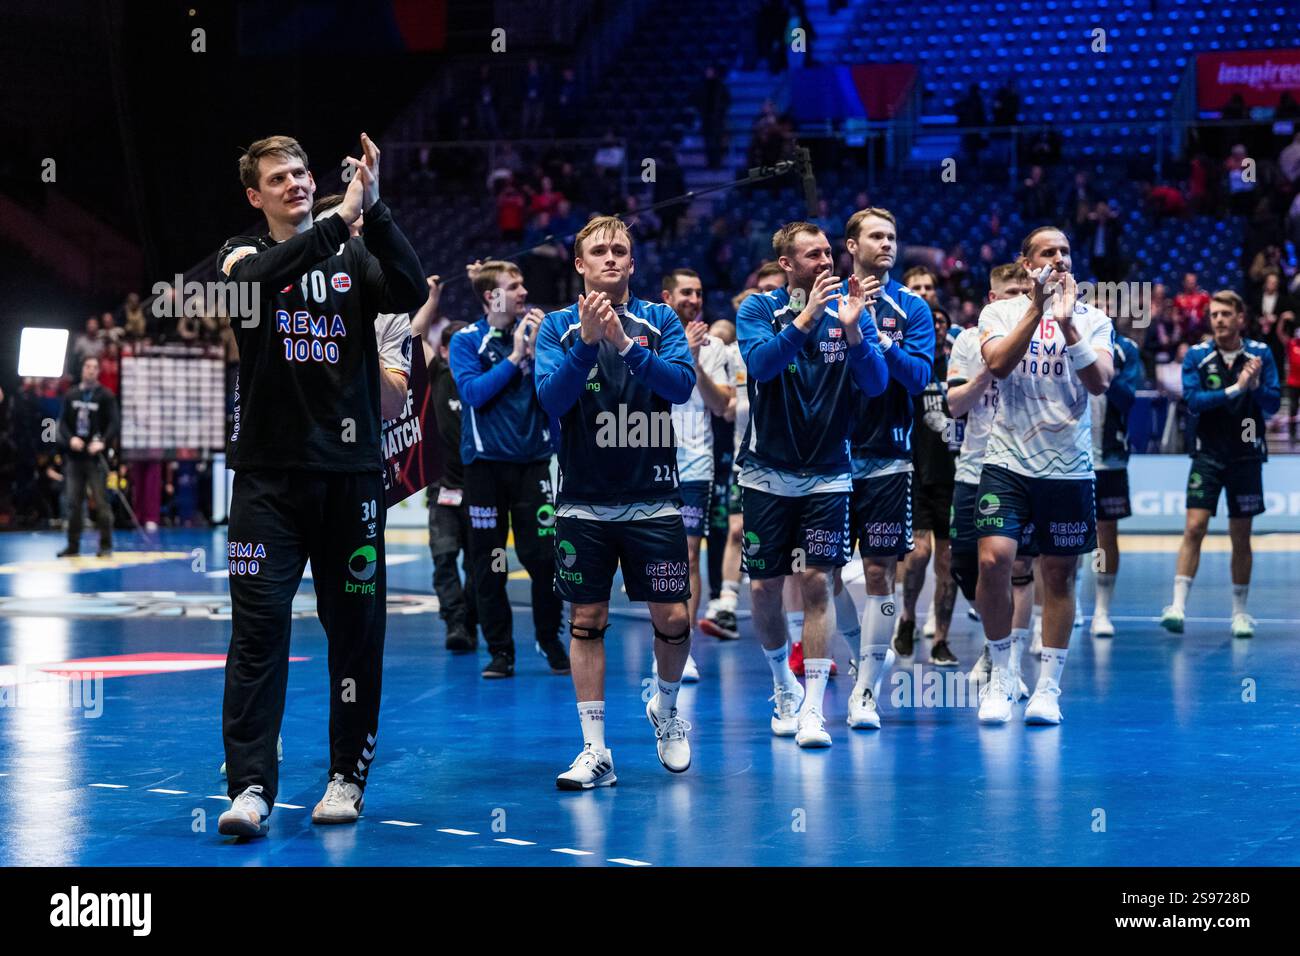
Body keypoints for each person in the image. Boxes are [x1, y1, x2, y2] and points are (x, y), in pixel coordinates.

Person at [214, 133, 425, 837]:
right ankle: (249, 787)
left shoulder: (355, 258)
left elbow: (411, 289)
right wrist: (340, 218)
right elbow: (258, 282)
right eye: (279, 178)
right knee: (257, 631)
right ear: (256, 196)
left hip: (351, 482)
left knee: (355, 635)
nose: (296, 184)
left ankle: (345, 776)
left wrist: (381, 209)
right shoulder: (242, 257)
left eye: (302, 172)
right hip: (267, 485)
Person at [534, 216, 697, 787]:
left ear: (632, 263)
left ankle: (668, 710)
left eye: (619, 251)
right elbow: (552, 402)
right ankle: (595, 749)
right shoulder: (557, 327)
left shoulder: (659, 319)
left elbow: (680, 387)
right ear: (579, 264)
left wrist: (624, 346)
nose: (609, 258)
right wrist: (585, 345)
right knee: (586, 619)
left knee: (674, 617)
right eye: (597, 251)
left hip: (653, 497)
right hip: (583, 500)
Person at [736, 221, 888, 748]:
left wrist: (852, 331)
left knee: (819, 582)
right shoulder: (758, 310)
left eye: (828, 253)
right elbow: (761, 364)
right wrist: (808, 317)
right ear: (787, 264)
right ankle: (782, 685)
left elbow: (876, 383)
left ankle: (813, 709)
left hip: (828, 473)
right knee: (763, 587)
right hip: (764, 473)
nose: (826, 262)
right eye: (813, 255)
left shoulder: (851, 309)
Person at [974, 227, 1114, 726]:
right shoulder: (999, 313)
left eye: (1065, 251)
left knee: (1058, 573)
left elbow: (1100, 382)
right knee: (994, 560)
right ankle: (1003, 674)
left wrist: (1068, 324)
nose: (1058, 258)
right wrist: (1036, 310)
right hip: (1007, 460)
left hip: (1068, 467)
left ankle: (1049, 688)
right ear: (1027, 262)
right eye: (1047, 252)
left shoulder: (1094, 318)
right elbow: (996, 364)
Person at [837, 208, 934, 732]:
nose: (888, 244)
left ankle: (866, 691)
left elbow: (919, 378)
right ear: (851, 245)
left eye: (893, 236)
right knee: (824, 576)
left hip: (889, 458)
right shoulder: (826, 301)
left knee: (879, 573)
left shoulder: (912, 308)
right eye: (876, 236)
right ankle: (863, 650)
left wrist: (879, 335)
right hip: (826, 458)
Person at [450, 260, 568, 678]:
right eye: (513, 286)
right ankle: (500, 650)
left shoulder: (543, 336)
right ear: (490, 296)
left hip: (533, 465)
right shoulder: (467, 340)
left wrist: (536, 355)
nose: (523, 292)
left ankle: (550, 640)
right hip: (484, 470)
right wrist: (515, 355)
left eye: (522, 284)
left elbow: (556, 396)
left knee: (545, 560)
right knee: (490, 562)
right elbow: (472, 393)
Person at [1160, 291, 1280, 638]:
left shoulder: (1260, 354)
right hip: (1207, 454)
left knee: (1240, 536)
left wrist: (1254, 386)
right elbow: (1194, 402)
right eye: (1214, 315)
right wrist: (1236, 388)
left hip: (1246, 454)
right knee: (1194, 528)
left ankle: (1240, 613)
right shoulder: (1198, 356)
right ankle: (1178, 607)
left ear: (1241, 318)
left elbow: (1271, 406)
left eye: (1226, 314)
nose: (1219, 320)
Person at [950, 263, 1037, 695]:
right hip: (973, 467)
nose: (1020, 300)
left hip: (1020, 468)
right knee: (968, 562)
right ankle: (994, 639)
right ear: (991, 300)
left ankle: (1009, 661)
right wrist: (986, 372)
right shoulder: (968, 341)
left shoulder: (1044, 337)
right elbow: (952, 406)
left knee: (1017, 566)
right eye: (1010, 293)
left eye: (1027, 291)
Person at [702, 263, 787, 640]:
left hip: (793, 460)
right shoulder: (736, 354)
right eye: (761, 289)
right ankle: (725, 604)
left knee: (790, 549)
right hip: (746, 457)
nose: (768, 295)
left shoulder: (802, 341)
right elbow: (724, 406)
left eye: (775, 288)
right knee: (737, 530)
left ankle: (797, 630)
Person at [662, 269, 734, 680]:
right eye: (686, 292)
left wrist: (694, 360)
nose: (694, 299)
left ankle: (682, 647)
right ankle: (665, 637)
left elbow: (723, 405)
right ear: (667, 295)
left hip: (695, 464)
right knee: (659, 559)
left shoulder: (716, 348)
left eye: (699, 292)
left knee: (689, 554)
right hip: (649, 459)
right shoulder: (650, 334)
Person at [898, 305, 960, 665]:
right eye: (931, 322)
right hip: (917, 473)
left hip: (953, 477)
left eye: (942, 322)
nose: (936, 327)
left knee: (948, 562)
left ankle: (941, 638)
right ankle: (907, 617)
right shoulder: (913, 368)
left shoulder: (959, 367)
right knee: (918, 554)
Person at [1090, 327, 1142, 637]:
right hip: (1068, 454)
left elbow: (1127, 397)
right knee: (1058, 536)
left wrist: (1099, 368)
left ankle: (1101, 610)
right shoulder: (1064, 338)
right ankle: (1067, 608)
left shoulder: (1125, 349)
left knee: (1106, 532)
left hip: (1110, 457)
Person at [56, 356, 118, 557]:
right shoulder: (71, 394)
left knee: (101, 502)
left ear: (98, 371)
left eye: (94, 367)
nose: (91, 370)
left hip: (95, 458)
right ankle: (73, 546)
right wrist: (70, 439)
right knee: (73, 503)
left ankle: (105, 546)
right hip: (75, 457)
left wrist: (103, 442)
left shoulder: (105, 395)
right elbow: (62, 423)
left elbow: (114, 424)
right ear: (82, 369)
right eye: (87, 366)